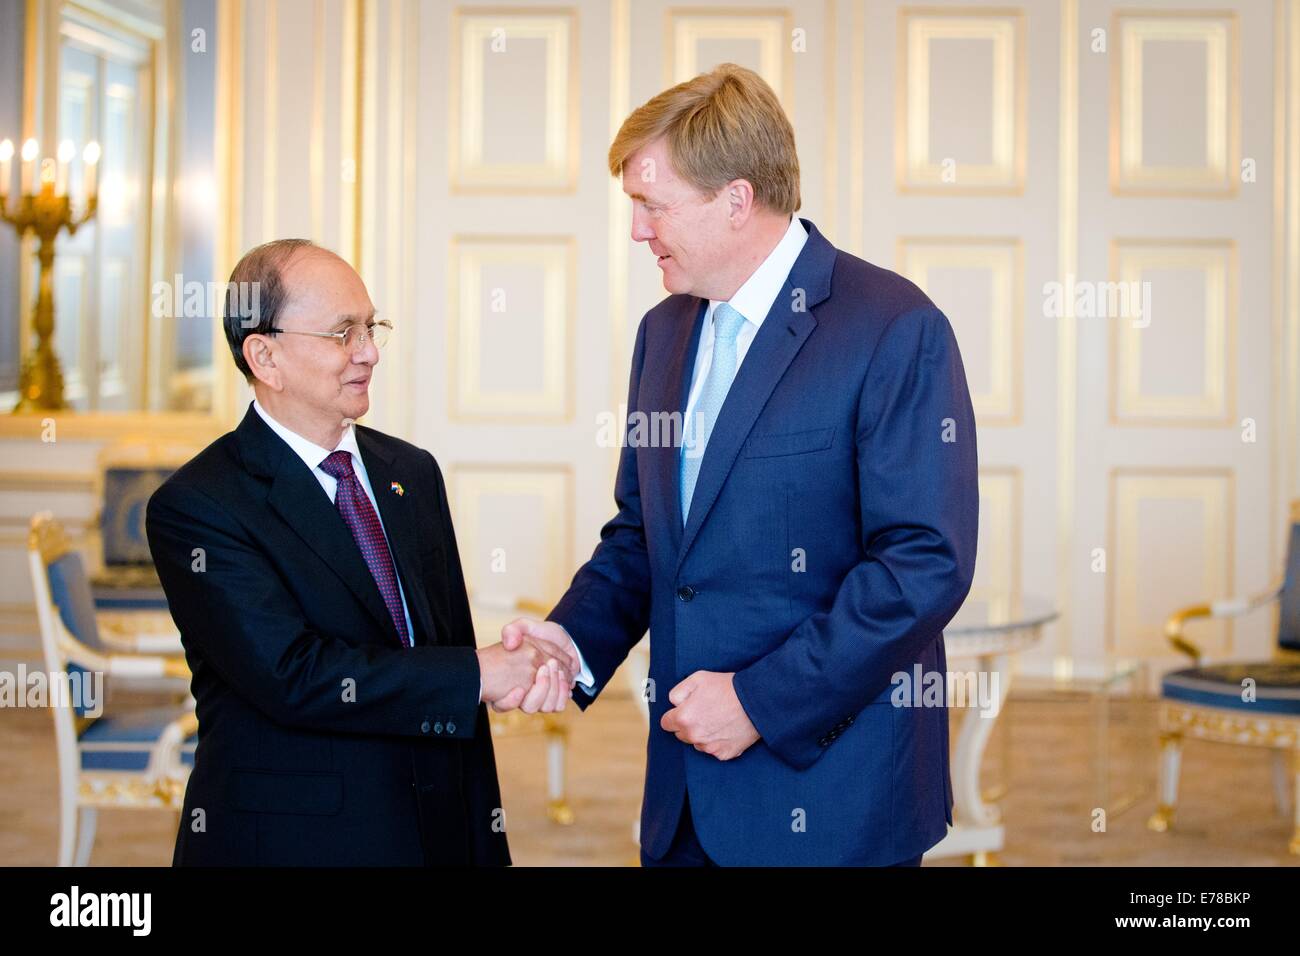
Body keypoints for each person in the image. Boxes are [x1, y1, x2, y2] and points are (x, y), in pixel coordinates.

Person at [503, 64, 979, 866]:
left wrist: (759, 702)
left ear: (736, 197)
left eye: (652, 206)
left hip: (832, 797)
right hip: (684, 797)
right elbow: (643, 537)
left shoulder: (894, 326)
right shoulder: (664, 333)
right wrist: (569, 643)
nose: (637, 232)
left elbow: (922, 565)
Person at [147, 239, 572, 866]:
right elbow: (294, 675)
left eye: (371, 327)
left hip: (435, 831)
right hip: (297, 845)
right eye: (342, 333)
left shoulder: (412, 472)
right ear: (264, 355)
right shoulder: (200, 505)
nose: (369, 352)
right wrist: (479, 674)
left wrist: (486, 842)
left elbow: (448, 658)